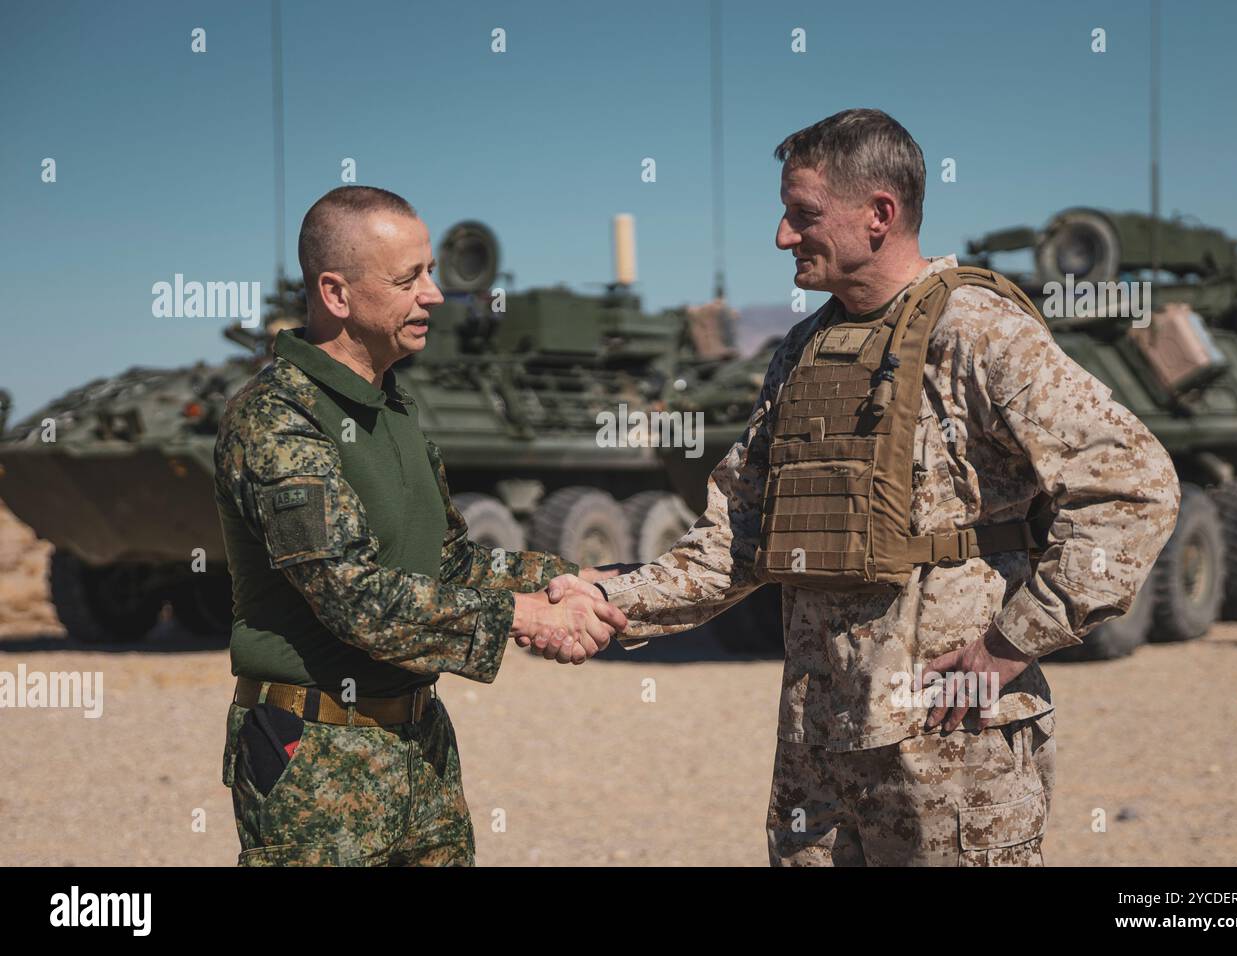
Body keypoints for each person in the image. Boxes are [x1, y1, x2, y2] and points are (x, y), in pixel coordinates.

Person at [542, 109, 1181, 866]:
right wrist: (612, 600)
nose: (783, 236)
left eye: (802, 215)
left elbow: (1134, 489)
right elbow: (739, 536)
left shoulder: (978, 331)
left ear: (879, 214)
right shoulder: (804, 349)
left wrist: (1013, 643)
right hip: (820, 742)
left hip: (949, 748)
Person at [214, 185, 626, 866]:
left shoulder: (393, 411)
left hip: (419, 745)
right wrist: (520, 616)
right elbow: (351, 594)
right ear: (337, 294)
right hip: (313, 759)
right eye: (409, 279)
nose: (434, 295)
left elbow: (453, 562)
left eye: (431, 272)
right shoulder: (277, 417)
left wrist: (570, 578)